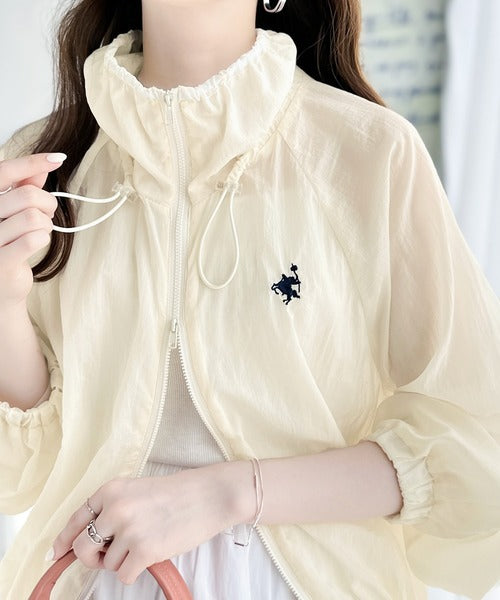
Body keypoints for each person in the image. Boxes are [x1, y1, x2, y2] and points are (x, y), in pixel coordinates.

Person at [0, 0, 500, 598]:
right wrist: (5, 301)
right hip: (93, 577)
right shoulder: (44, 164)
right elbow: (20, 471)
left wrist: (228, 493)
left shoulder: (368, 153)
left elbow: (476, 445)